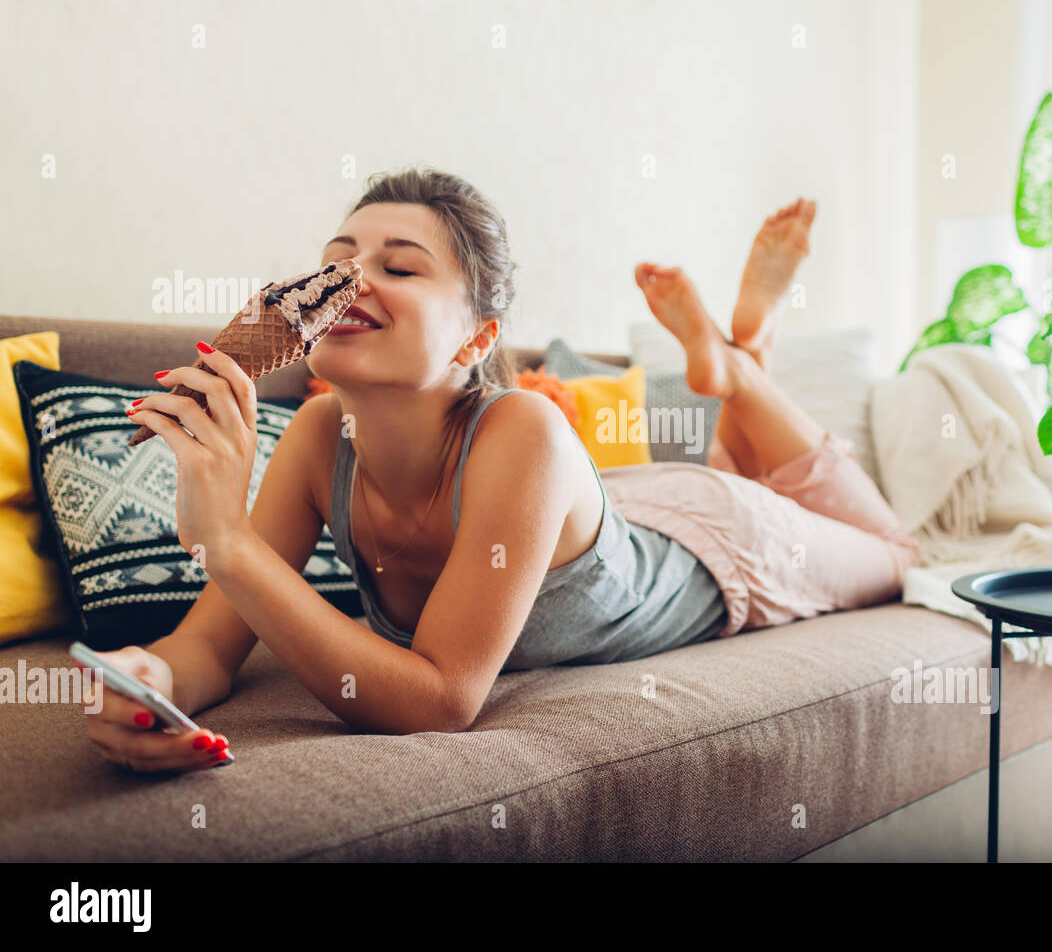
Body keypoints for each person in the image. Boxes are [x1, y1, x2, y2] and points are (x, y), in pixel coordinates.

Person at [85, 168, 918, 772]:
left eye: (399, 267)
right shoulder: (316, 436)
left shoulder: (525, 429)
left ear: (477, 339)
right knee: (754, 477)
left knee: (897, 555)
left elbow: (441, 701)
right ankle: (741, 356)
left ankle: (737, 368)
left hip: (726, 540)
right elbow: (206, 646)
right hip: (628, 507)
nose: (346, 283)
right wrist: (147, 678)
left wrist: (230, 541)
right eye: (336, 261)